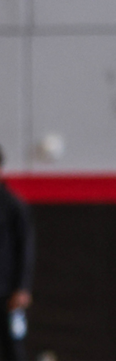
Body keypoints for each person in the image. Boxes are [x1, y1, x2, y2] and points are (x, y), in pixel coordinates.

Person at [0, 146, 33, 361]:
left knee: (12, 346)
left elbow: (26, 248)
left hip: (6, 293)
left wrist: (22, 287)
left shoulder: (13, 205)